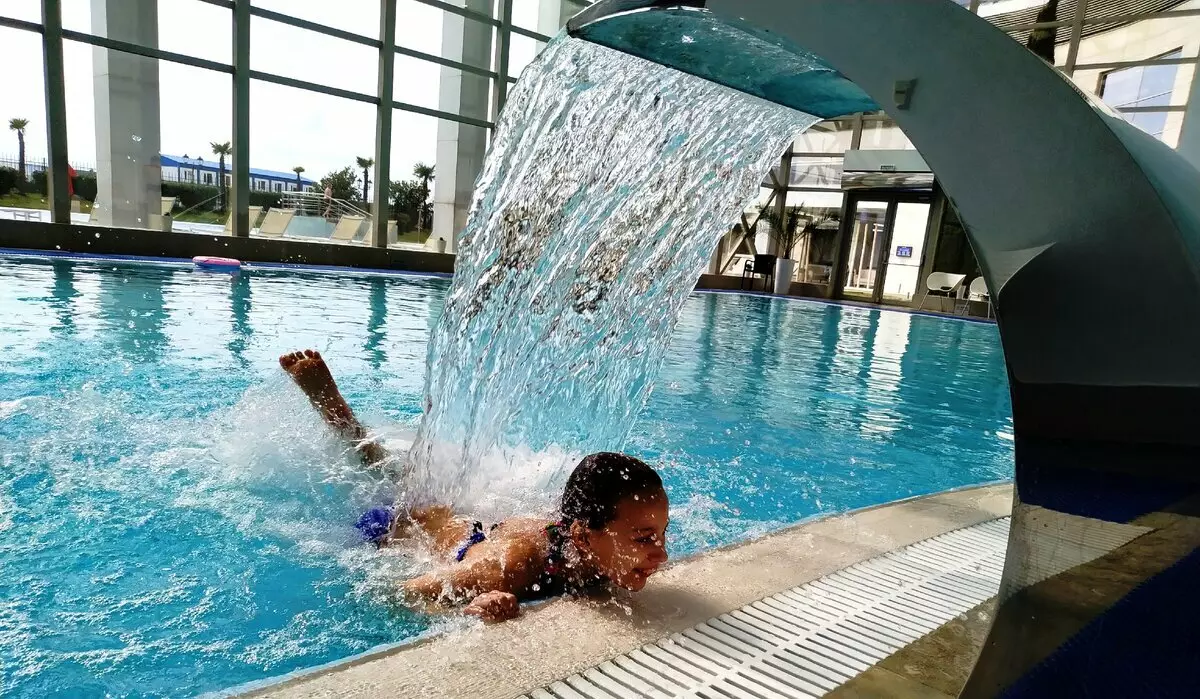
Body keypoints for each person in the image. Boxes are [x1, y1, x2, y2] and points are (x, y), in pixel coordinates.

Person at [279, 349, 670, 622]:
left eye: (660, 535)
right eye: (643, 539)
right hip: (390, 529)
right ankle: (337, 412)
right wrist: (469, 606)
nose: (662, 555)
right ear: (583, 538)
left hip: (458, 521)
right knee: (381, 478)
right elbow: (396, 594)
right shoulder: (511, 566)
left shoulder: (591, 547)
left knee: (396, 477)